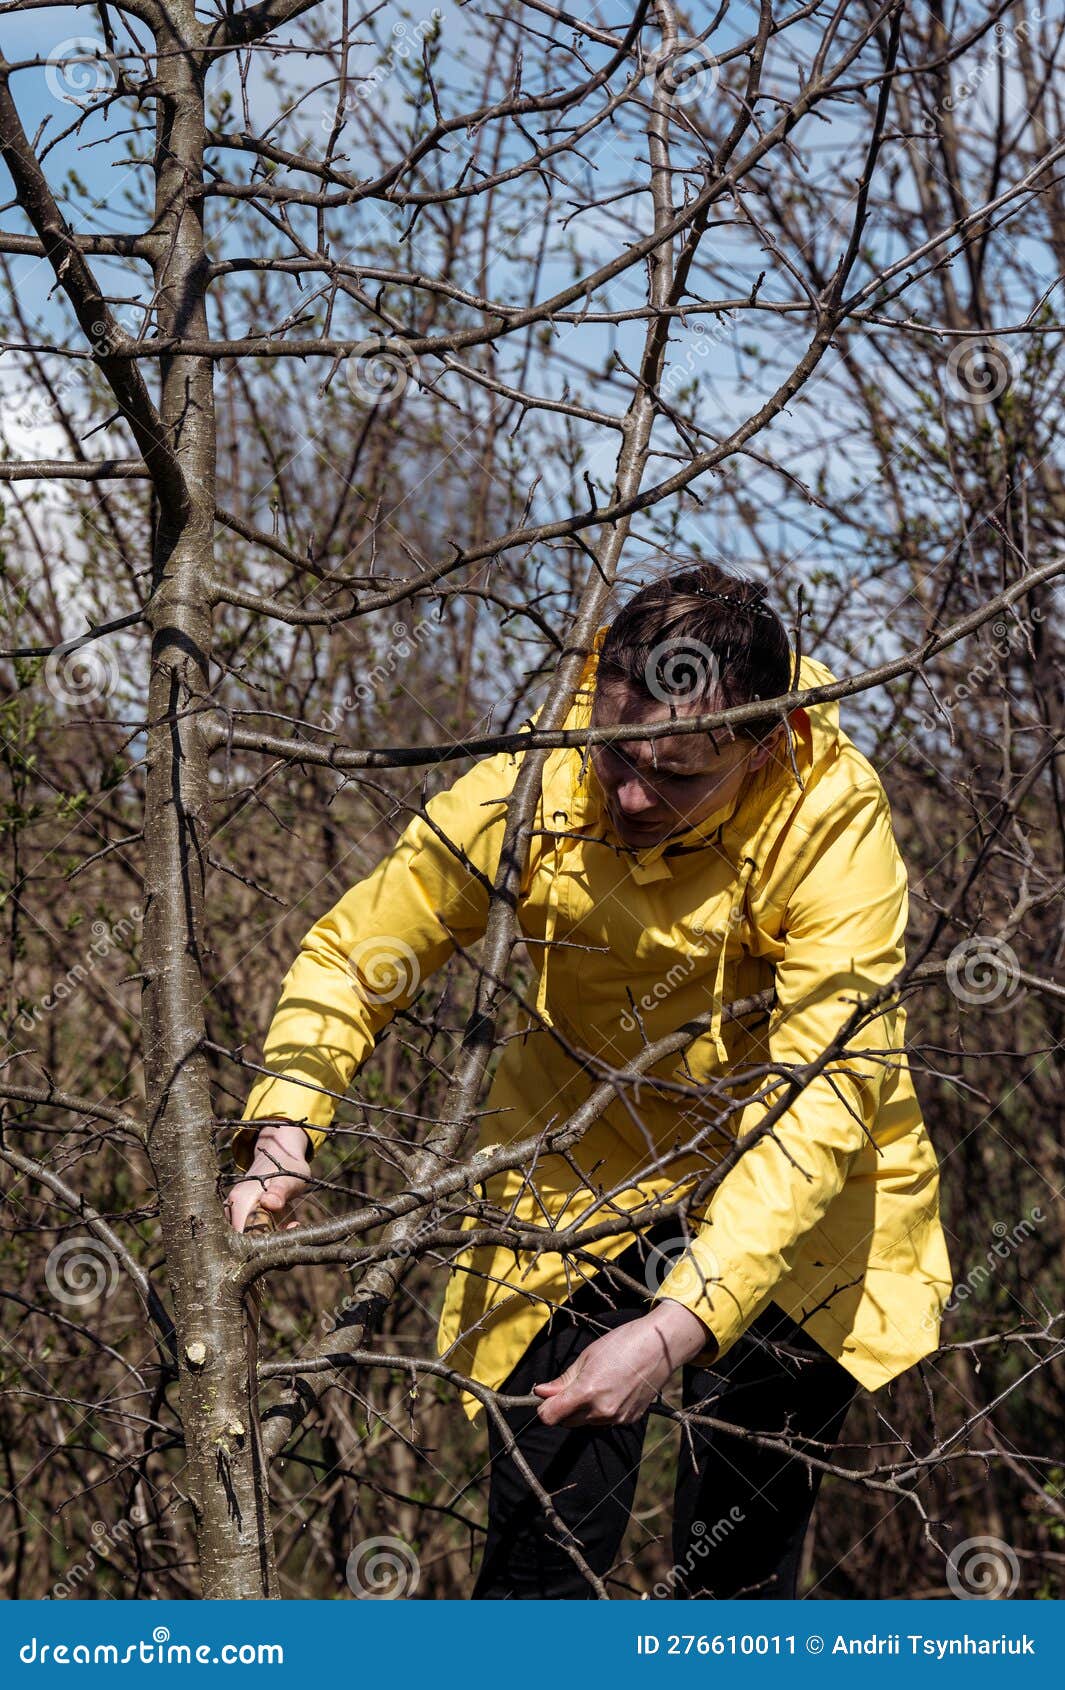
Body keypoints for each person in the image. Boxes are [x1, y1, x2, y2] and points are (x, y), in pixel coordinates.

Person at [226, 562, 953, 1599]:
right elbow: (359, 952)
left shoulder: (833, 822)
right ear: (594, 695)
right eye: (617, 752)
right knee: (540, 1566)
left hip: (804, 1217)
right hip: (575, 1196)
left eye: (679, 773)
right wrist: (287, 1118)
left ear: (767, 742)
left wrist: (677, 1325)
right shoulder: (536, 782)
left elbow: (818, 1100)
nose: (631, 792)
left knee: (732, 1584)